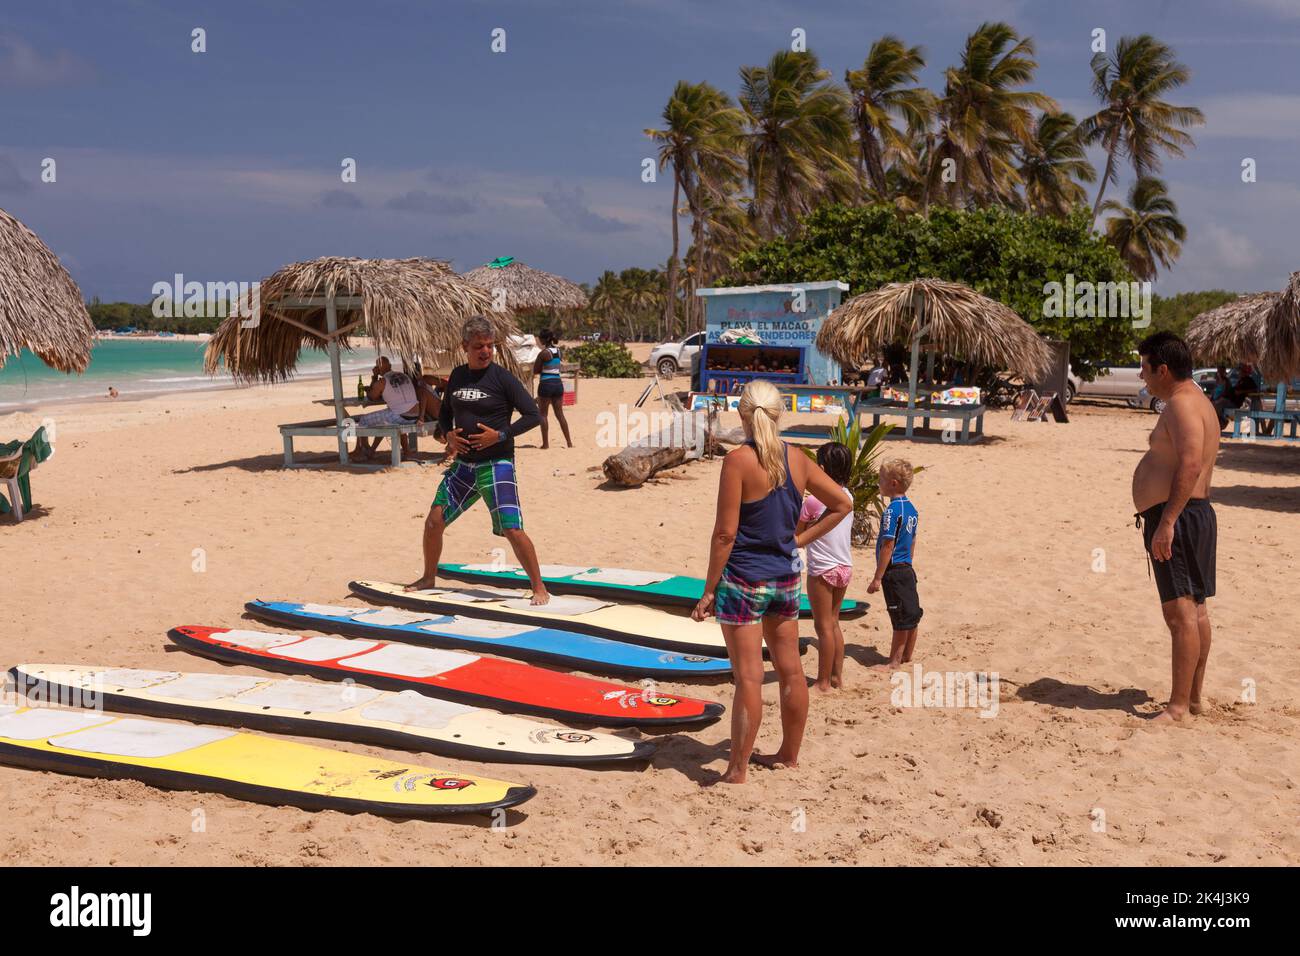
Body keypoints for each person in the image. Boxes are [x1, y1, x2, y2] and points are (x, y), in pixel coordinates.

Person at [692, 379, 851, 784]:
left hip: (744, 580)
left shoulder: (738, 461)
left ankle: (738, 769)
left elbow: (725, 534)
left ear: (743, 415)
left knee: (748, 677)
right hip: (785, 578)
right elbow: (842, 503)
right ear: (778, 414)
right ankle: (788, 755)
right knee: (792, 670)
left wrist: (709, 589)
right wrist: (797, 541)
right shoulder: (797, 459)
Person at [406, 317, 550, 605]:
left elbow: (534, 415)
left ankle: (539, 587)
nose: (485, 351)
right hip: (464, 467)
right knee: (434, 522)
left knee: (511, 528)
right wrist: (448, 435)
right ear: (465, 347)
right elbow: (445, 411)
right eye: (478, 346)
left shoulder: (503, 378)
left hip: (497, 465)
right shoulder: (458, 376)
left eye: (489, 346)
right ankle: (428, 577)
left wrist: (500, 435)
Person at [1132, 331, 1219, 725]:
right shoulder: (1197, 400)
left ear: (1163, 369)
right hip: (1192, 513)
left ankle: (1179, 708)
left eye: (1145, 368)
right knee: (1196, 609)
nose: (1143, 376)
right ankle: (1194, 699)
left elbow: (1189, 464)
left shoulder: (1182, 404)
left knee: (1180, 614)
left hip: (1179, 516)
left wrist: (1166, 522)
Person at [796, 441, 854, 691]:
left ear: (820, 468)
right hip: (845, 566)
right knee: (834, 622)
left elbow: (796, 531)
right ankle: (837, 677)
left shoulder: (814, 502)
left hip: (823, 568)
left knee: (823, 627)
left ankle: (821, 682)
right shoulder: (848, 495)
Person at [868, 459, 922, 669]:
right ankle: (907, 655)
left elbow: (887, 545)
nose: (878, 484)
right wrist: (909, 562)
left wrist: (878, 577)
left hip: (894, 569)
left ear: (893, 483)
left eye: (880, 480)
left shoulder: (892, 511)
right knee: (912, 612)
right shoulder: (912, 509)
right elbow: (913, 539)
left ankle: (894, 661)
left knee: (899, 615)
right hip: (907, 567)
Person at [351, 357, 440, 462]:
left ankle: (363, 449)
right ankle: (370, 450)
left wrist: (374, 377)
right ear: (390, 366)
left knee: (363, 420)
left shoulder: (382, 381)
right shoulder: (404, 376)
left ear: (378, 369)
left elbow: (372, 397)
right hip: (415, 415)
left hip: (400, 416)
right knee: (387, 420)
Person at [532, 330, 573, 449]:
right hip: (558, 383)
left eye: (539, 339)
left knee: (543, 415)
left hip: (546, 384)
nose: (538, 341)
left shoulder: (544, 353)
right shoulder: (559, 351)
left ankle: (545, 444)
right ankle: (569, 442)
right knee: (560, 415)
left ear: (544, 340)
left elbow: (536, 370)